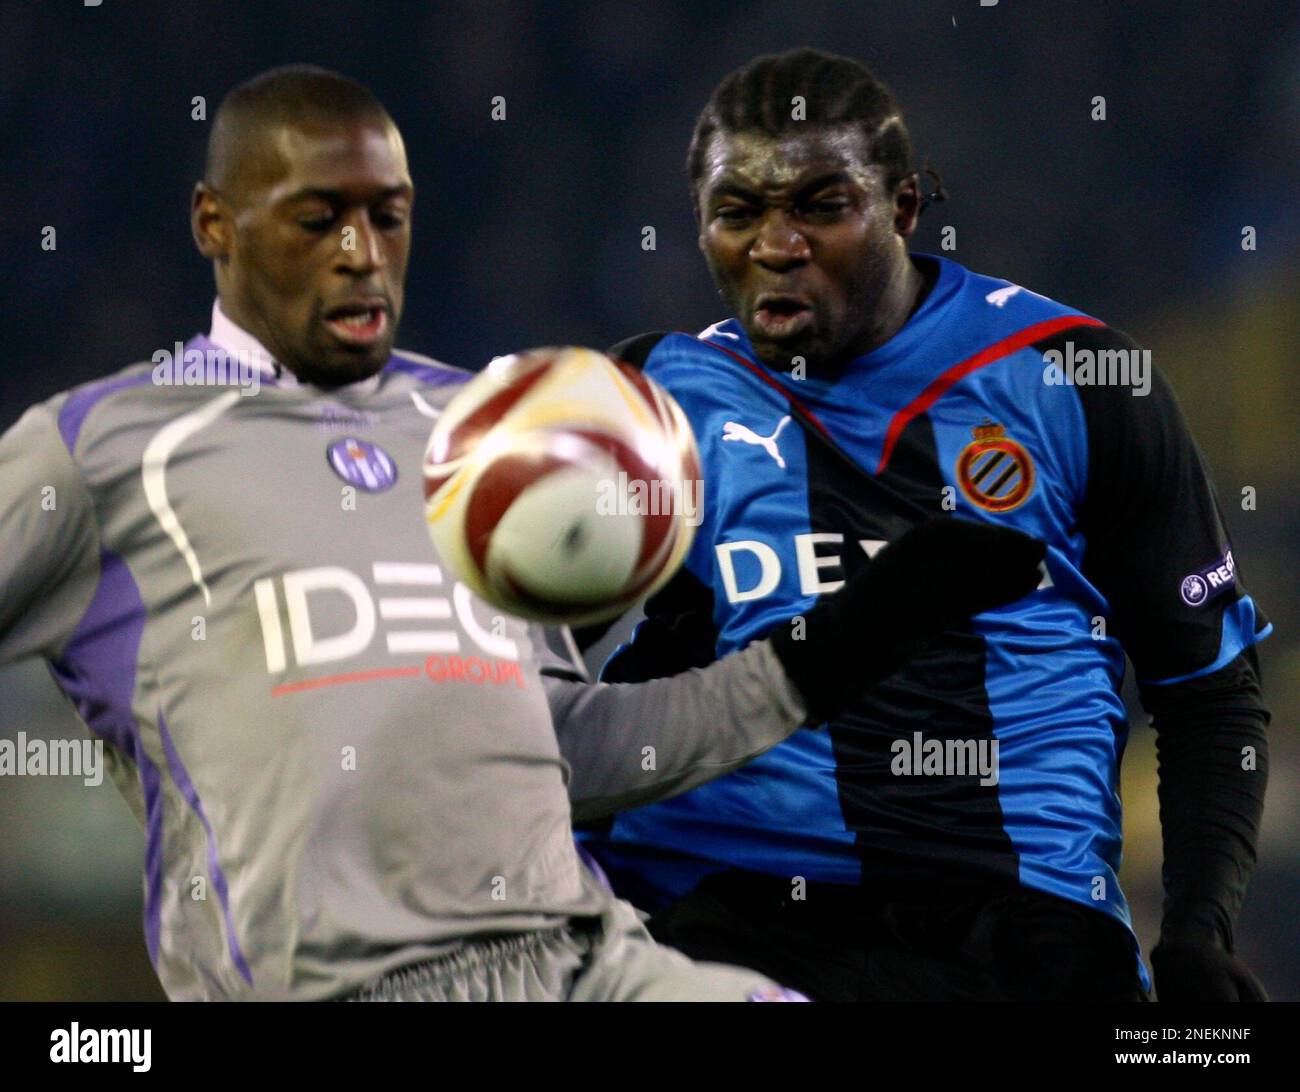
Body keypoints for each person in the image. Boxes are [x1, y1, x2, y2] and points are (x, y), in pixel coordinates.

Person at [0, 64, 1043, 1001]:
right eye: (319, 219)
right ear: (213, 222)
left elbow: (565, 746)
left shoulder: (492, 431)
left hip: (591, 962)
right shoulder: (100, 452)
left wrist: (851, 635)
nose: (364, 255)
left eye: (389, 216)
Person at [577, 48, 1273, 1003]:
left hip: (1012, 926)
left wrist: (1198, 930)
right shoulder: (651, 401)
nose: (777, 246)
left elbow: (1208, 695)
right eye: (738, 213)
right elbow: (513, 683)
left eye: (822, 205)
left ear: (903, 207)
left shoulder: (1079, 378)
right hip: (719, 912)